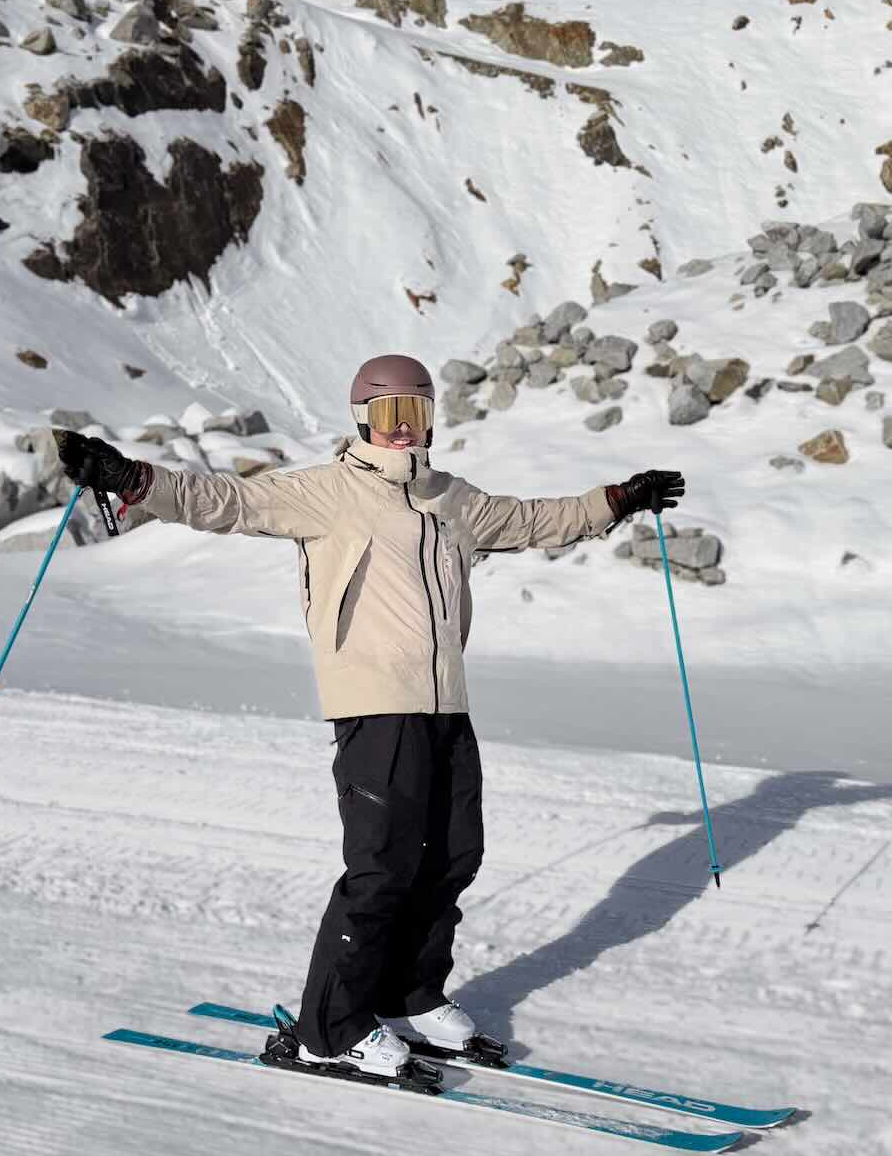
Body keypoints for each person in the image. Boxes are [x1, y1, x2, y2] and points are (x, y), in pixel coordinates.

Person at [54, 354, 683, 1078]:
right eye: (389, 415)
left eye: (415, 413)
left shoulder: (452, 499)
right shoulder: (329, 493)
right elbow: (224, 500)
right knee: (381, 867)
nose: (402, 428)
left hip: (446, 703)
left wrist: (618, 498)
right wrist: (132, 478)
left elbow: (540, 520)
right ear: (363, 420)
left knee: (453, 855)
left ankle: (409, 995)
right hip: (375, 706)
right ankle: (329, 1029)